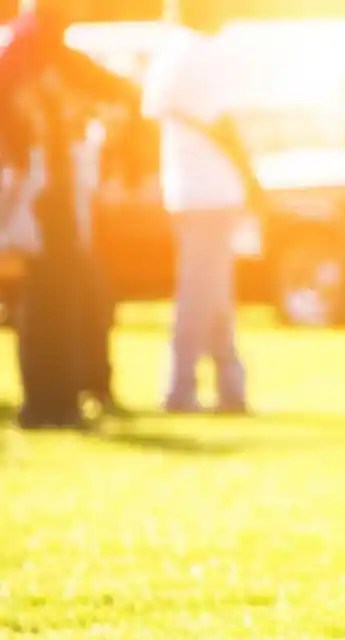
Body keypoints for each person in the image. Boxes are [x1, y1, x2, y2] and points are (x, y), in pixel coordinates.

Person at [0, 0, 138, 429]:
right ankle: (49, 403)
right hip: (41, 188)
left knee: (57, 298)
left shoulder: (29, 45)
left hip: (44, 186)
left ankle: (60, 397)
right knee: (49, 302)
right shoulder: (32, 48)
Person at [142, 1, 250, 414]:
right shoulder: (197, 53)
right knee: (200, 294)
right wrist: (251, 178)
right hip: (211, 189)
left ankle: (230, 386)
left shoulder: (169, 52)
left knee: (214, 294)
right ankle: (180, 388)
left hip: (188, 188)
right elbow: (221, 124)